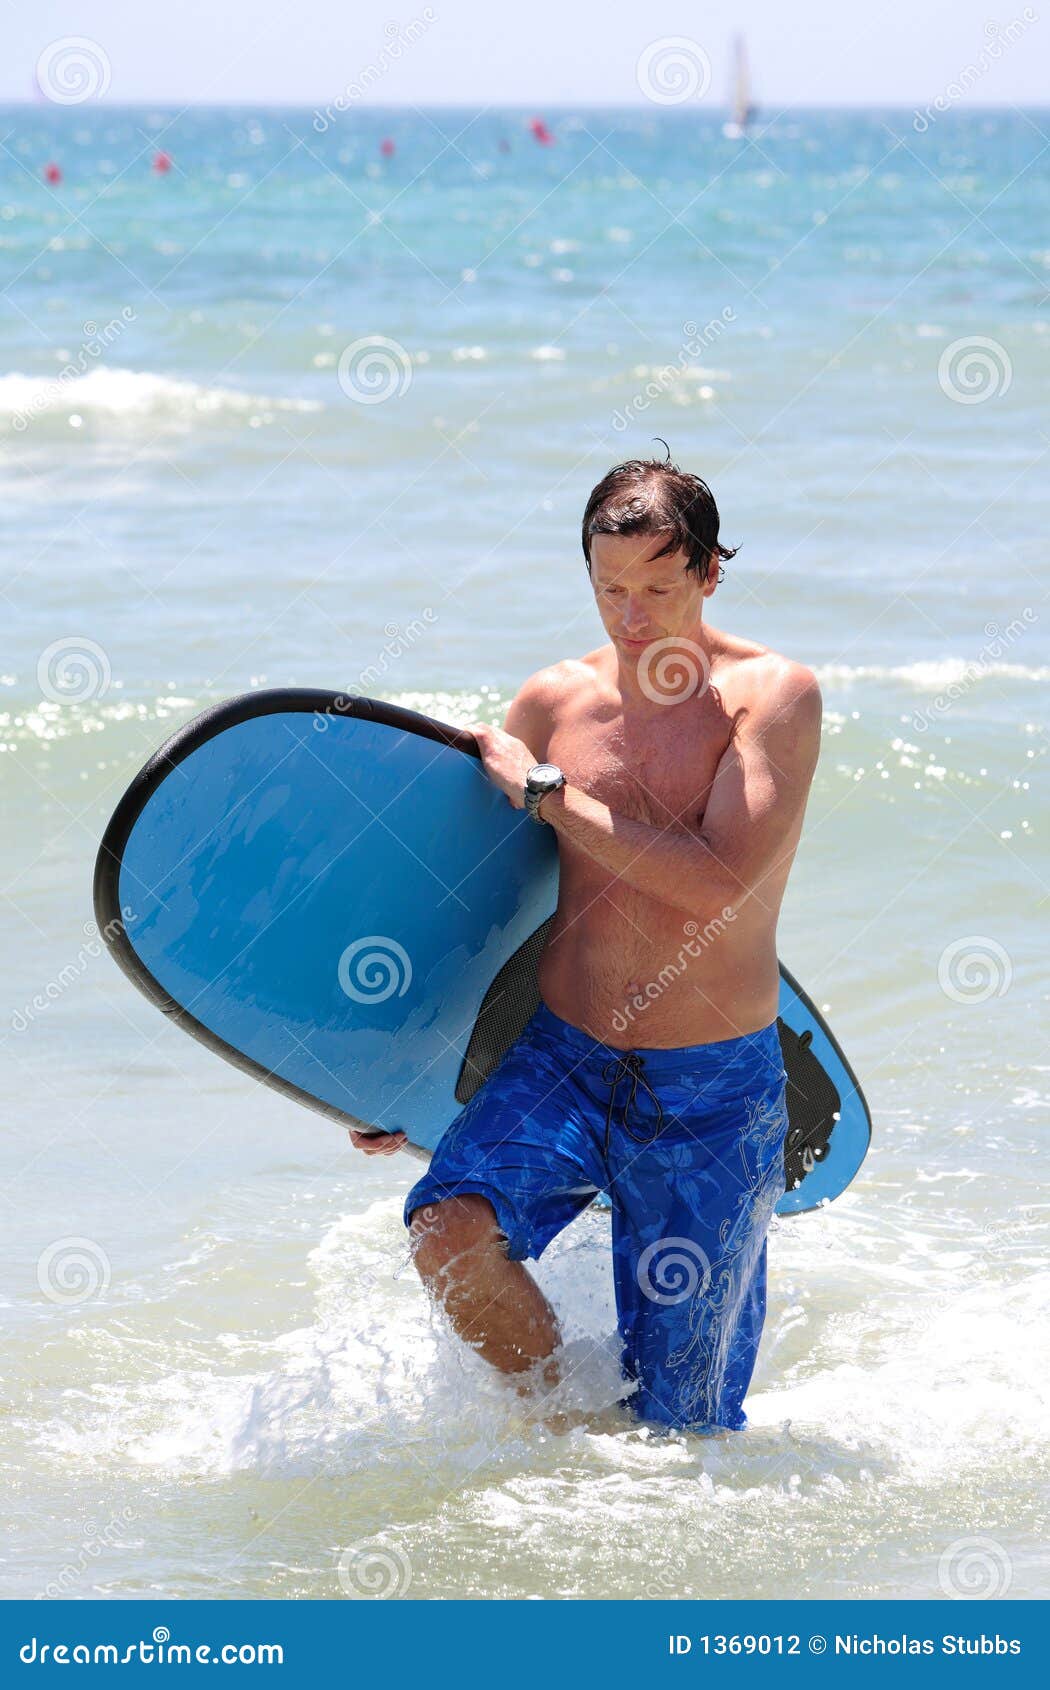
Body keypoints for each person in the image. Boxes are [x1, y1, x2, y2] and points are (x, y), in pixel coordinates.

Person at [350, 451, 822, 1432]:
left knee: (683, 1424)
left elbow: (716, 888)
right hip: (565, 1052)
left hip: (711, 1089)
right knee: (447, 1233)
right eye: (611, 590)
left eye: (658, 586)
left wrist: (548, 794)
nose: (633, 614)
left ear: (709, 571)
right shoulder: (553, 704)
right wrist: (397, 1073)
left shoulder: (771, 698)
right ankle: (565, 1416)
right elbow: (481, 904)